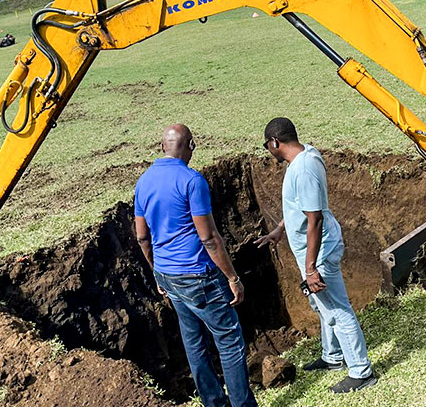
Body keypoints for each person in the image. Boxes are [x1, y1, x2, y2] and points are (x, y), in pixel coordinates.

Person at [134, 125, 258, 407]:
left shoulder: (143, 182)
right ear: (191, 145)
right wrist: (232, 277)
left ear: (162, 145)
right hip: (198, 275)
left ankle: (213, 403)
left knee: (194, 343)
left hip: (167, 275)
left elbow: (142, 236)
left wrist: (156, 271)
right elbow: (209, 238)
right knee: (228, 340)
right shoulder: (192, 181)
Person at [256, 118, 377, 394]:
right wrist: (278, 230)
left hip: (319, 250)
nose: (268, 151)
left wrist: (311, 269)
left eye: (267, 146)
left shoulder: (304, 170)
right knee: (321, 305)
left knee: (336, 308)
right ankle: (332, 356)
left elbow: (315, 219)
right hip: (311, 250)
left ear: (275, 142)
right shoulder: (305, 156)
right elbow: (301, 206)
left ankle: (361, 372)